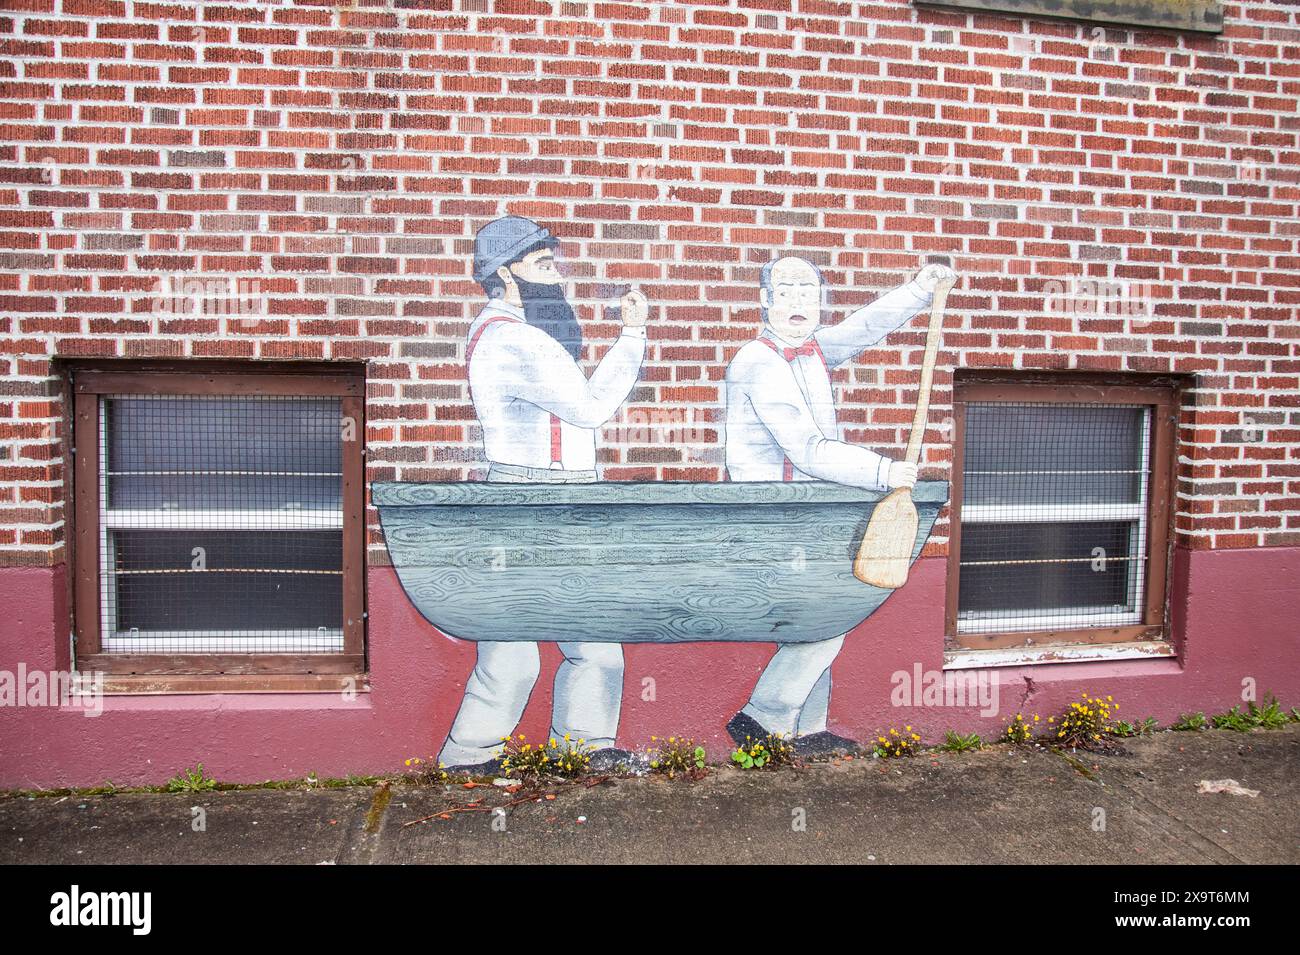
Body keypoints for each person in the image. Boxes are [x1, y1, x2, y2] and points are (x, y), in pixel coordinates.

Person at [438, 215, 650, 773]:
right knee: (513, 652)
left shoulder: (526, 334)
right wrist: (632, 336)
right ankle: (468, 757)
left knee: (594, 640)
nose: (557, 278)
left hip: (560, 500)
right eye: (542, 266)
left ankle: (585, 747)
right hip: (525, 503)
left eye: (555, 265)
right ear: (507, 274)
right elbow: (589, 408)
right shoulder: (513, 338)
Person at [723, 255, 957, 757]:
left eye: (808, 291)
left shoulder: (810, 352)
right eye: (785, 291)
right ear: (765, 300)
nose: (798, 302)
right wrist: (883, 471)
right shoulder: (757, 362)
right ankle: (762, 717)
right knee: (828, 617)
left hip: (809, 517)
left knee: (829, 614)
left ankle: (807, 729)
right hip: (771, 520)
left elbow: (864, 328)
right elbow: (805, 450)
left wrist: (918, 289)